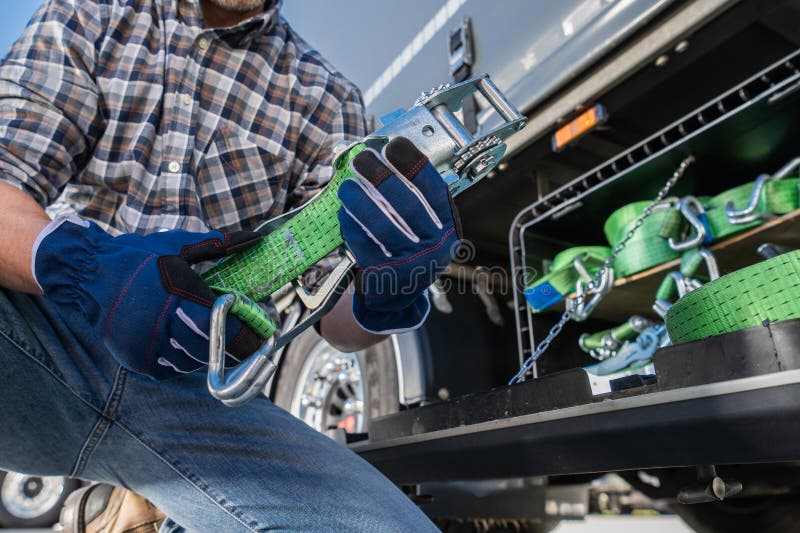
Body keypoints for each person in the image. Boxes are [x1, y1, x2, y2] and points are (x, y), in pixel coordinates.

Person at [0, 0, 460, 531]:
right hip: (53, 342)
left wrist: (391, 288)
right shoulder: (93, 16)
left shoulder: (325, 98)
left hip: (205, 395)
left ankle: (138, 502)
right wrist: (86, 270)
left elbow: (338, 322)